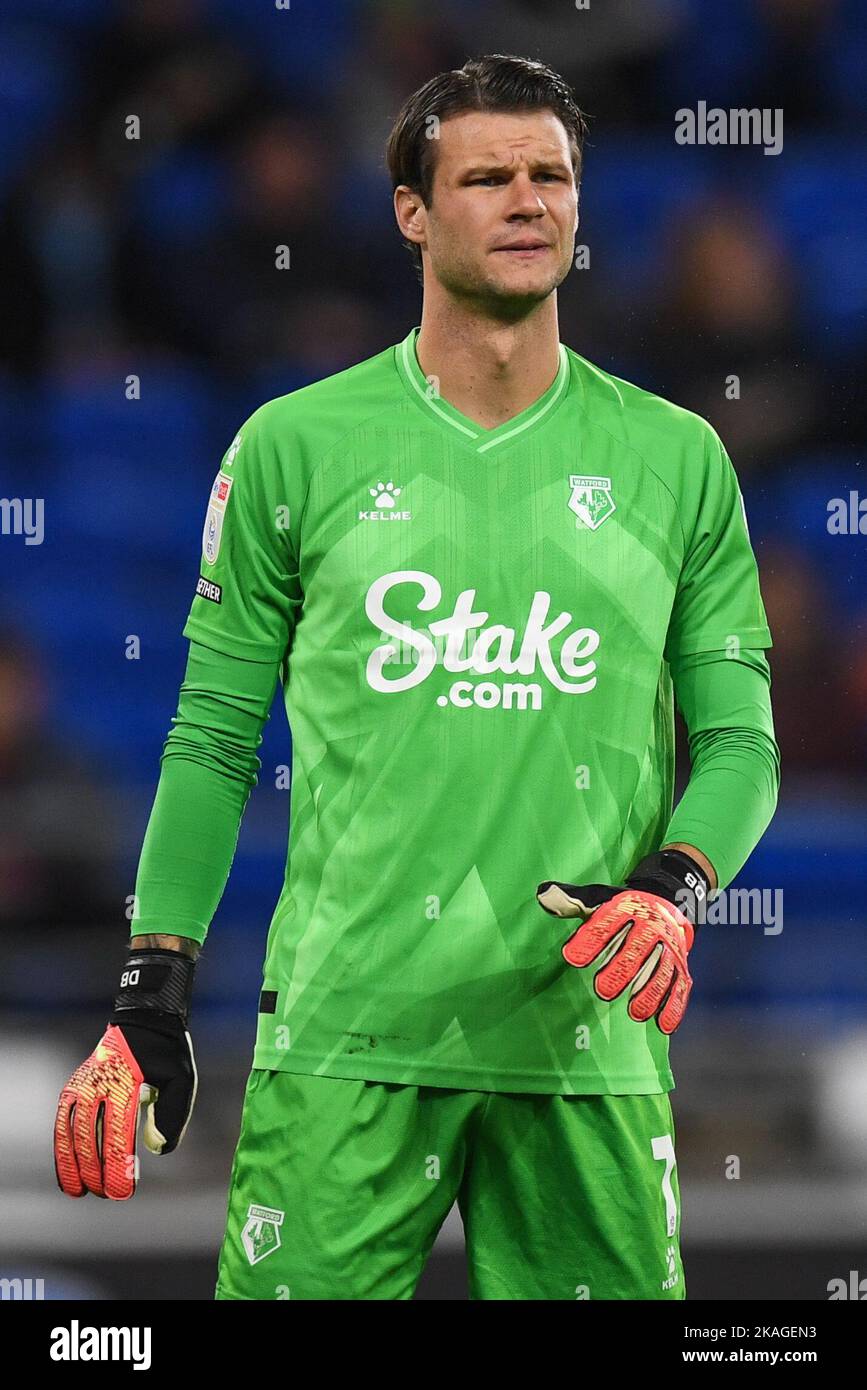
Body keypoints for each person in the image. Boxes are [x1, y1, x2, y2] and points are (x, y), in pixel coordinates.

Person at [54, 53, 780, 1300]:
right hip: (344, 1039)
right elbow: (215, 740)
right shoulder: (293, 448)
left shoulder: (680, 458)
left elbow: (743, 747)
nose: (527, 200)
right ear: (411, 211)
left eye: (551, 175)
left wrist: (675, 884)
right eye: (488, 176)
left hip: (589, 1049)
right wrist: (151, 989)